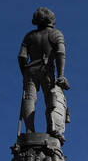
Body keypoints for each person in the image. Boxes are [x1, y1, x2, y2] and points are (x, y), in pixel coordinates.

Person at [18, 8, 69, 138]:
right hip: (47, 69)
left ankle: (29, 129)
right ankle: (52, 128)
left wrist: (25, 72)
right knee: (51, 98)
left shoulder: (30, 36)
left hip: (30, 69)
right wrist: (61, 75)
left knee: (29, 98)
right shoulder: (56, 34)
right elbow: (60, 54)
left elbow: (22, 57)